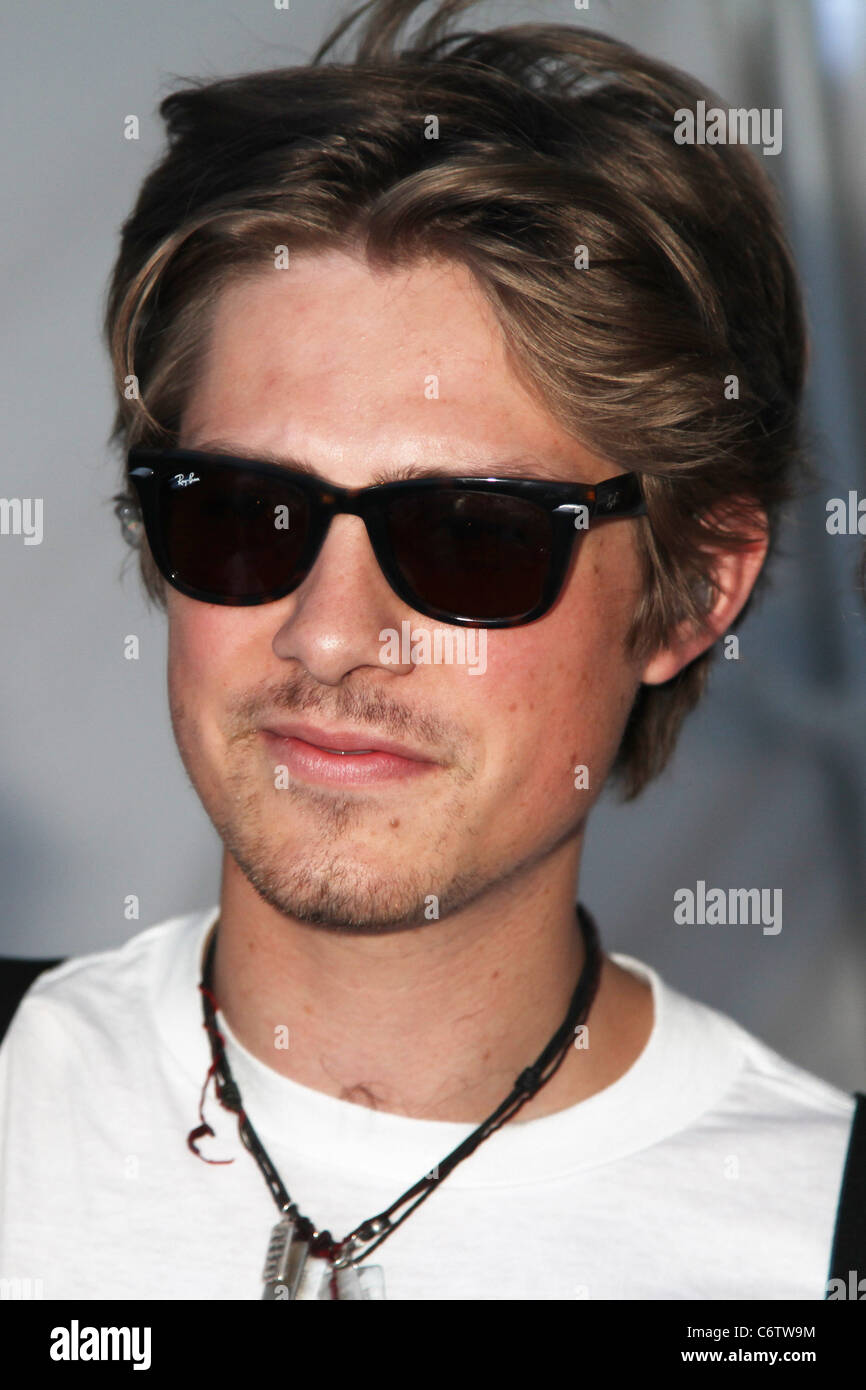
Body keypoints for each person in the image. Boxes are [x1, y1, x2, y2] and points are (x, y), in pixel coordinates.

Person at [0, 0, 860, 1302]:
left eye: (469, 536)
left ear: (692, 591)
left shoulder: (814, 1242)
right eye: (247, 516)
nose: (330, 632)